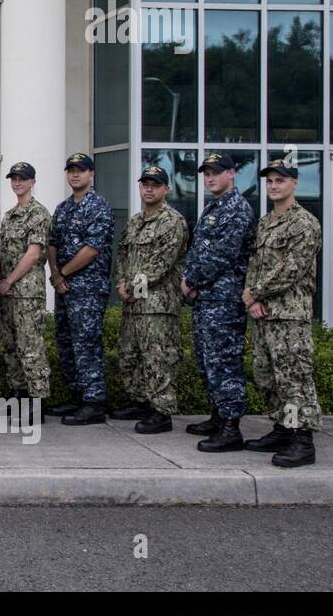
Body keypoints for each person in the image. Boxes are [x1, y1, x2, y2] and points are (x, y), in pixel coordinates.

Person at [243, 159, 323, 468]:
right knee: (266, 376)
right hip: (263, 314)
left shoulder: (304, 223)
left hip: (290, 315)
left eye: (280, 180)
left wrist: (256, 292)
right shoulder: (265, 222)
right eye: (270, 181)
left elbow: (292, 268)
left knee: (294, 378)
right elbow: (255, 264)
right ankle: (283, 427)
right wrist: (251, 300)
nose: (274, 185)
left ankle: (302, 440)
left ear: (294, 184)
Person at [182, 152, 256, 452]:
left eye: (216, 172)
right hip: (206, 298)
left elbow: (221, 255)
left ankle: (231, 429)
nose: (210, 177)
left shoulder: (236, 209)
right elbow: (198, 250)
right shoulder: (214, 207)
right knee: (208, 361)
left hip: (224, 300)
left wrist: (191, 281)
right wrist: (192, 280)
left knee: (224, 362)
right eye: (206, 173)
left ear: (232, 173)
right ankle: (218, 415)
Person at [112, 165, 189, 434]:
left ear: (165, 189)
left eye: (154, 185)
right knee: (130, 354)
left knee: (158, 356)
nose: (148, 188)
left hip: (157, 304)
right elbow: (121, 253)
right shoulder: (135, 221)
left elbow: (162, 263)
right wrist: (122, 283)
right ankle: (141, 401)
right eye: (145, 184)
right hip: (133, 304)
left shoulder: (172, 221)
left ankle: (162, 411)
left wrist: (132, 288)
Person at [47, 153, 114, 425]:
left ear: (91, 174)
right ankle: (77, 396)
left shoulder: (99, 206)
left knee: (86, 343)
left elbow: (92, 249)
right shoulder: (63, 208)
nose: (75, 175)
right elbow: (52, 243)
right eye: (71, 170)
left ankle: (94, 401)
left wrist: (62, 273)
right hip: (64, 288)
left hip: (87, 289)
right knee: (66, 342)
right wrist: (54, 274)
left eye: (81, 170)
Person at [0, 162, 52, 411]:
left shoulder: (38, 213)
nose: (17, 183)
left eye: (22, 178)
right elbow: (1, 251)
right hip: (6, 293)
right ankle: (18, 393)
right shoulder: (9, 215)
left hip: (26, 293)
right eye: (14, 178)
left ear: (32, 182)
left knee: (30, 346)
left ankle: (36, 401)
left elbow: (32, 254)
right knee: (11, 345)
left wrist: (9, 280)